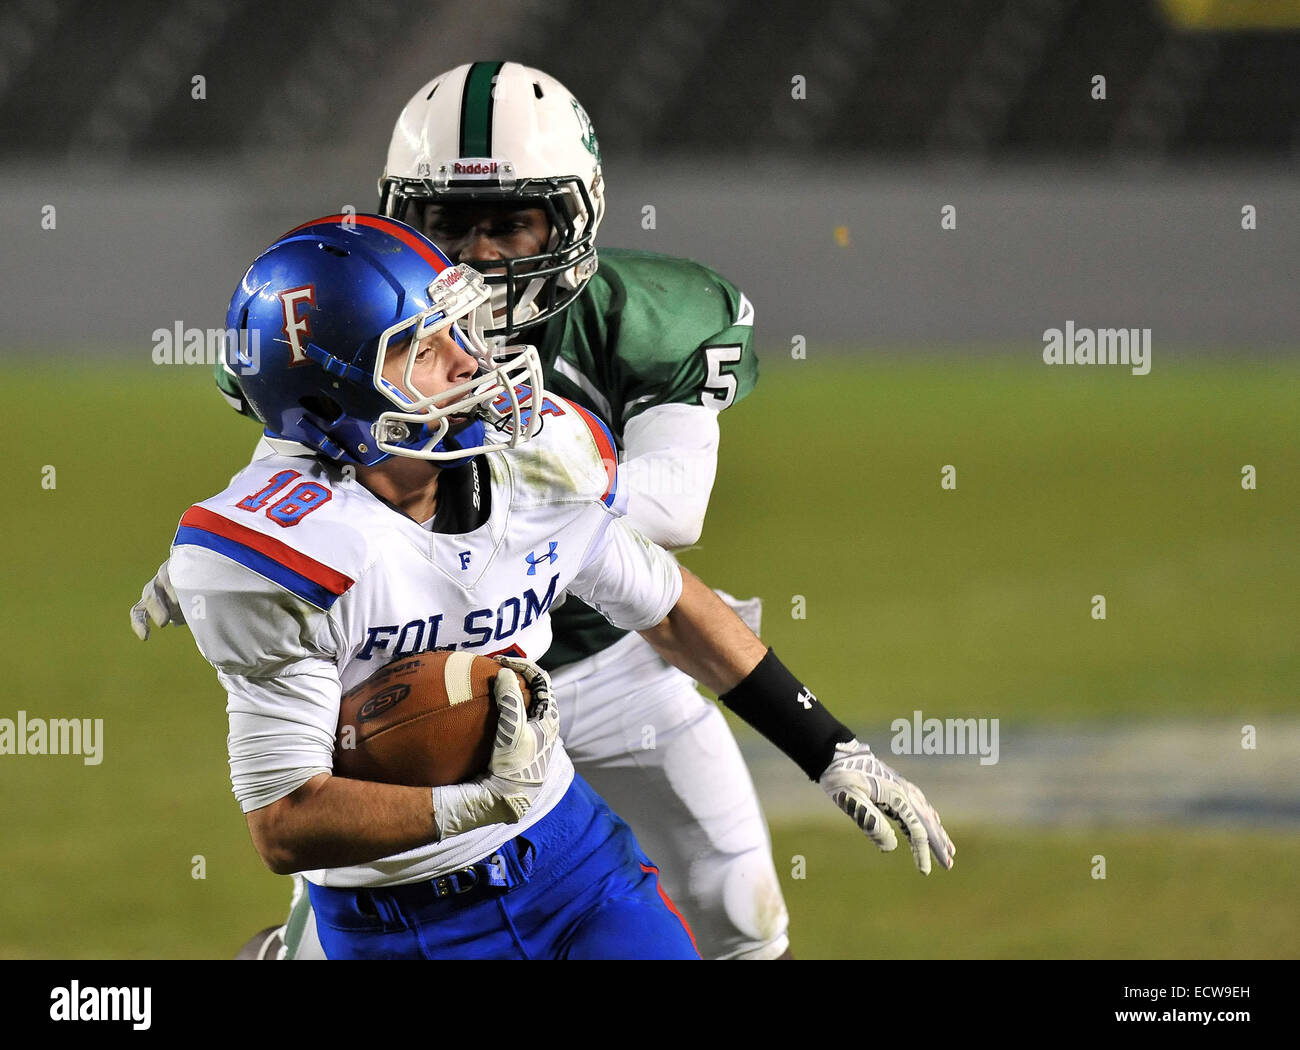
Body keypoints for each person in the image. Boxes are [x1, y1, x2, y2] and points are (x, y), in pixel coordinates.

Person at [133, 63, 955, 960]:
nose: (480, 257)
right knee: (370, 873)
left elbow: (670, 526)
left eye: (512, 220)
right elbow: (313, 424)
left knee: (742, 922)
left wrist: (549, 465)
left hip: (606, 657)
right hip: (407, 669)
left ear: (575, 214)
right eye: (449, 222)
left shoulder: (624, 342)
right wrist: (236, 540)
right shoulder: (345, 319)